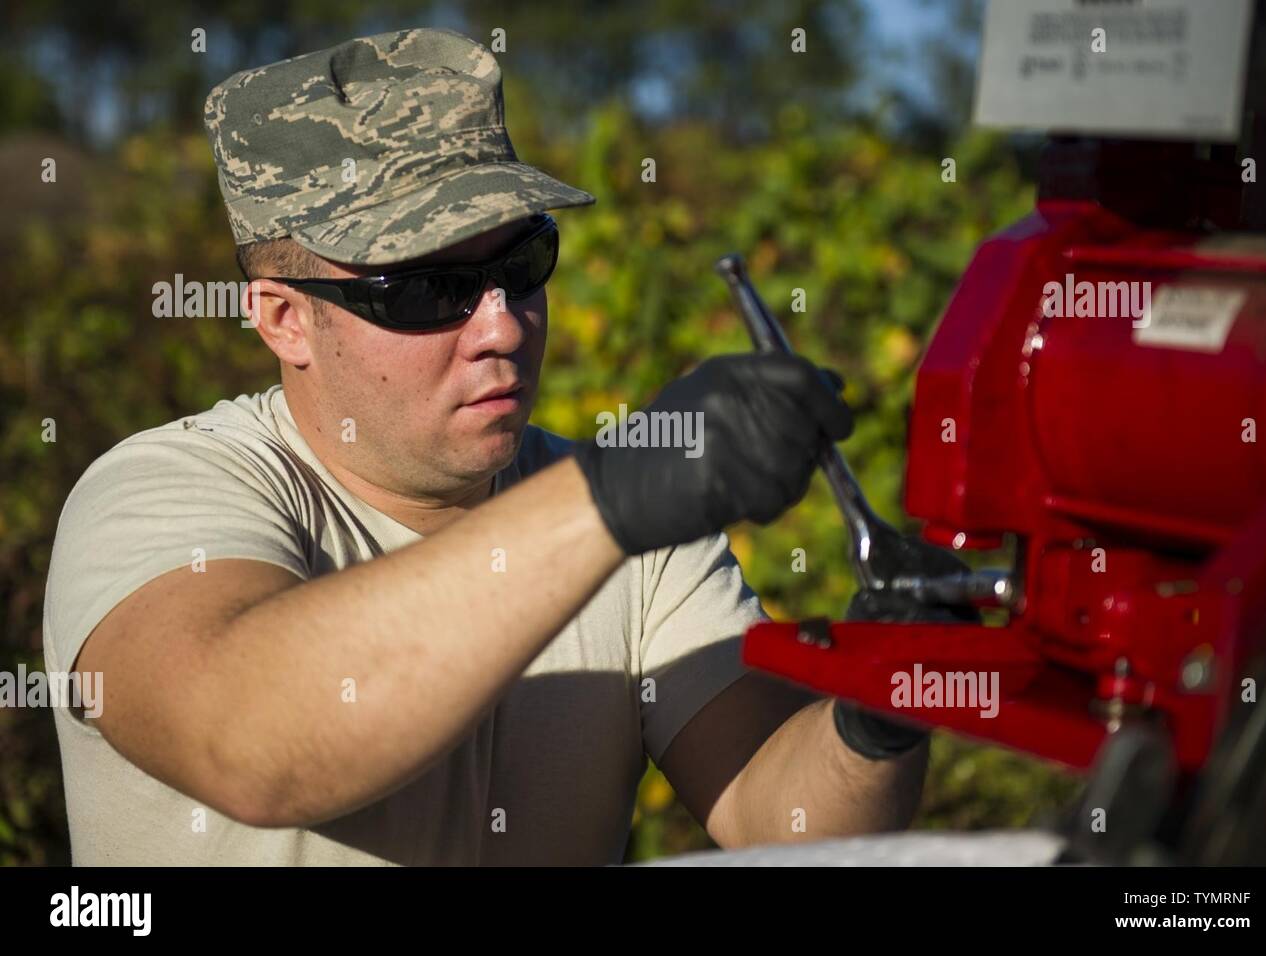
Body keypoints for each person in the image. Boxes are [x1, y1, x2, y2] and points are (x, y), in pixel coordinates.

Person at [43, 27, 930, 866]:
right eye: (430, 289)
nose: (500, 327)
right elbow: (249, 742)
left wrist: (879, 708)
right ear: (285, 319)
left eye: (522, 265)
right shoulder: (160, 495)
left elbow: (792, 825)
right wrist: (614, 496)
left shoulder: (637, 538)